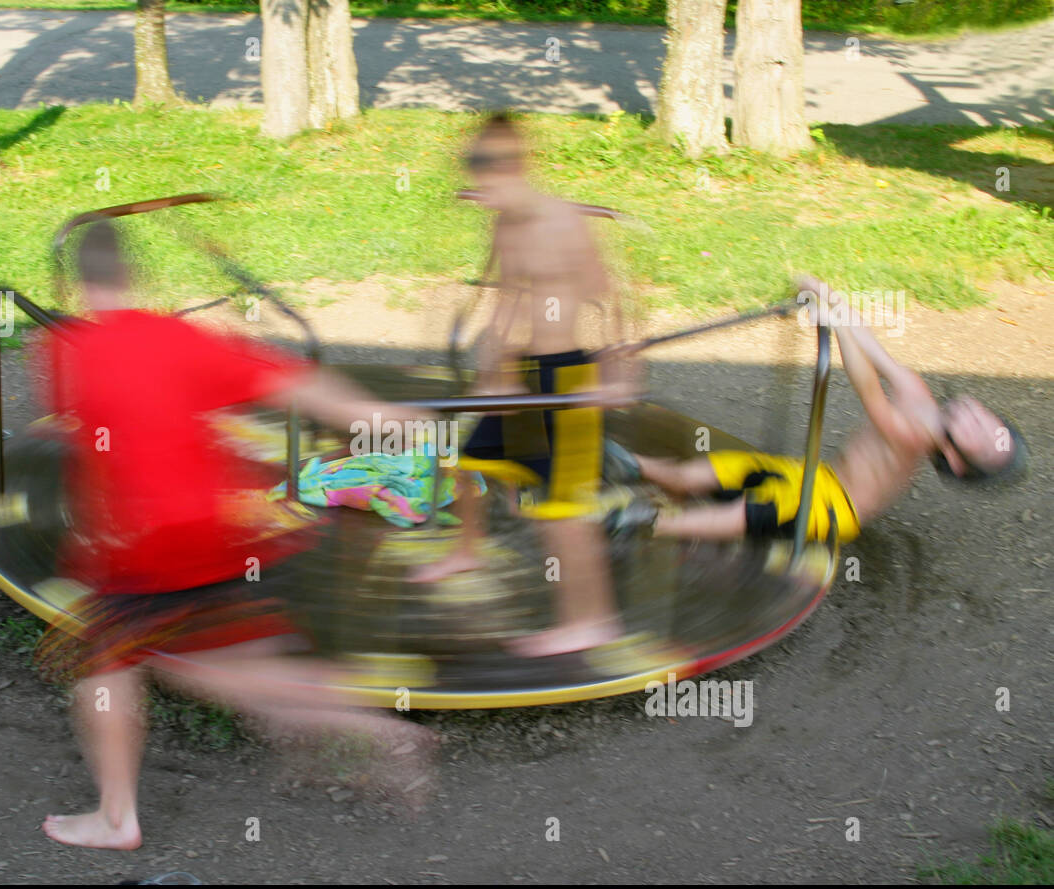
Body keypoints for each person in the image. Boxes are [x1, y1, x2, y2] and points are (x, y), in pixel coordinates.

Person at [12, 220, 436, 850]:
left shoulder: (61, 350)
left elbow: (83, 424)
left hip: (144, 540)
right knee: (237, 660)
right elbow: (299, 384)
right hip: (224, 527)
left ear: (79, 287)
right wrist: (389, 420)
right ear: (137, 278)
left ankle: (117, 816)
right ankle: (360, 727)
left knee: (108, 659)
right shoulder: (182, 337)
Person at [409, 113, 640, 658]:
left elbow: (617, 299)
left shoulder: (562, 224)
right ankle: (468, 549)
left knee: (560, 512)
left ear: (515, 168)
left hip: (566, 380)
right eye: (468, 166)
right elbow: (509, 297)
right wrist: (491, 369)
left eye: (483, 170)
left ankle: (593, 620)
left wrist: (620, 374)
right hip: (520, 376)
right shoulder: (503, 224)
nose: (472, 183)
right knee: (468, 463)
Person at [606, 276, 1029, 545]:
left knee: (748, 516)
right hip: (818, 477)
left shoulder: (912, 435)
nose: (983, 419)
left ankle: (654, 524)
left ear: (954, 460)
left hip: (836, 507)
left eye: (984, 438)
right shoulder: (917, 389)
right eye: (995, 422)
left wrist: (834, 318)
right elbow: (873, 351)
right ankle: (636, 465)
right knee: (719, 470)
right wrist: (832, 300)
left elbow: (866, 386)